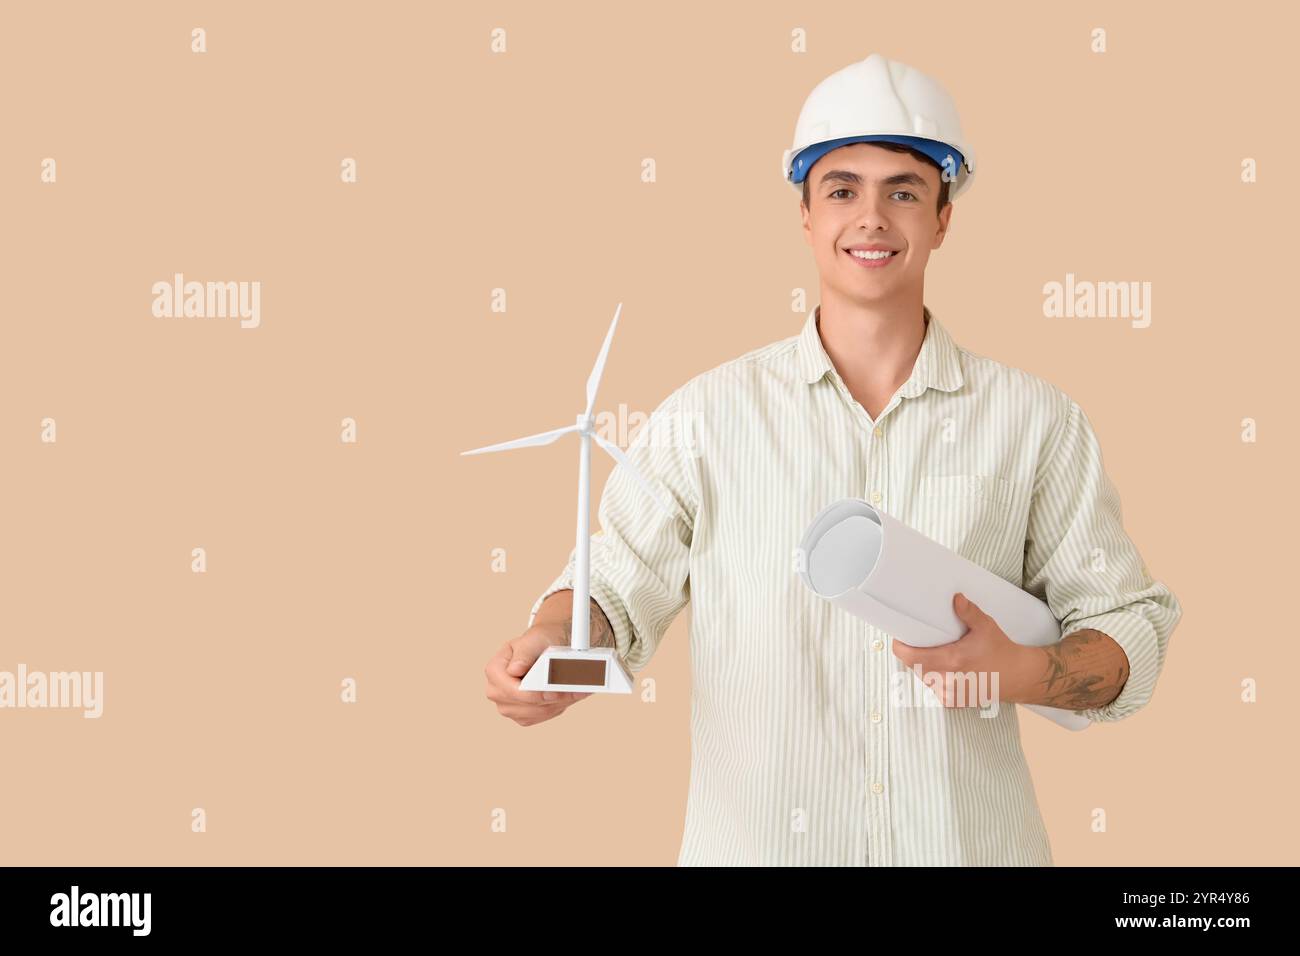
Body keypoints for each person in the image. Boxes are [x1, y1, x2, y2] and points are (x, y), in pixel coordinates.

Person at [483, 53, 1182, 866]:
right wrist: (551, 638)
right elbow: (616, 581)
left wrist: (1020, 671)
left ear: (944, 219)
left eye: (905, 190)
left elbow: (1127, 628)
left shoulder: (1037, 421)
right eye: (843, 189)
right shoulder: (707, 415)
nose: (872, 218)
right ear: (806, 216)